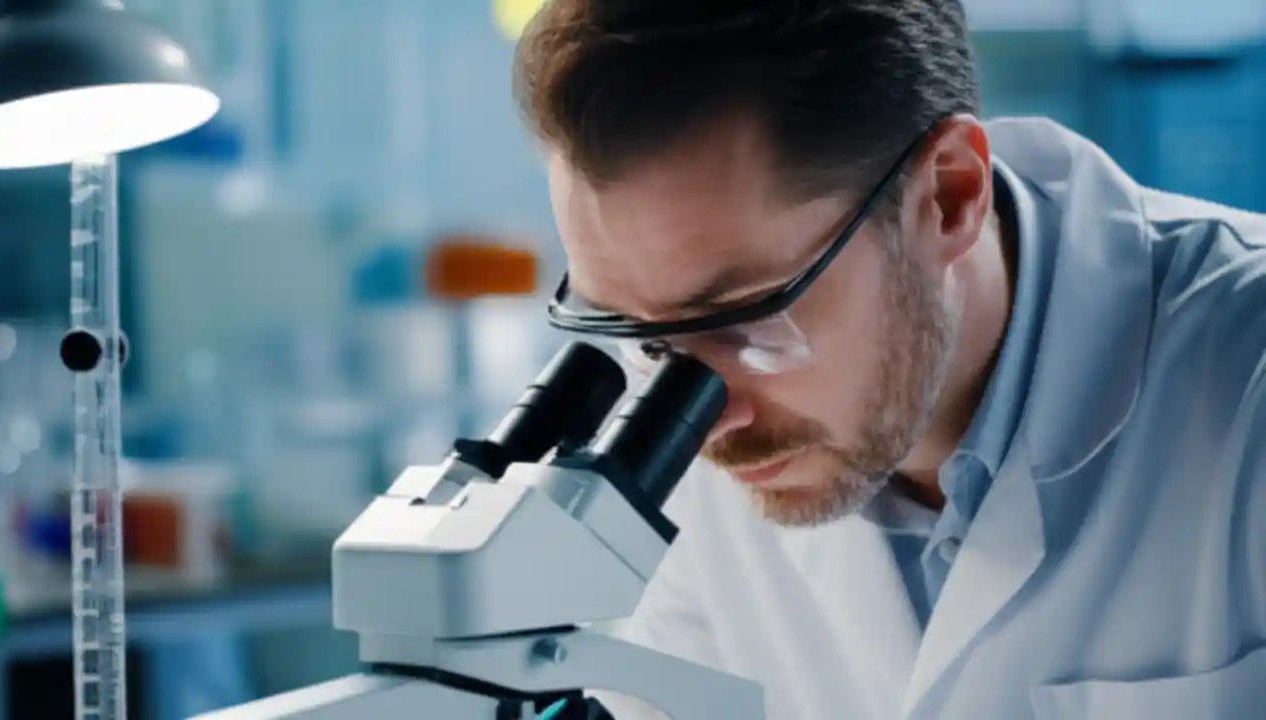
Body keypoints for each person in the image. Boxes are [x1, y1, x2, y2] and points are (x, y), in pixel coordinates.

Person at [514, 2, 1266, 718]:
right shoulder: (703, 482)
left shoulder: (1245, 386)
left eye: (747, 320)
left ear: (948, 194)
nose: (706, 422)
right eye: (640, 333)